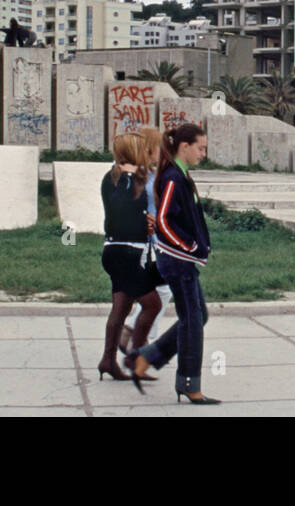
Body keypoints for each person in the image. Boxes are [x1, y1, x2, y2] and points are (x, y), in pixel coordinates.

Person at [126, 122, 219, 404]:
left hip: (182, 260)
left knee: (198, 317)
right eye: (200, 148)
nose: (203, 153)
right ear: (184, 147)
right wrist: (188, 247)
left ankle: (144, 357)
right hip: (177, 261)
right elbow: (164, 220)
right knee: (192, 321)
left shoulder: (180, 175)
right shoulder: (172, 178)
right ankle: (189, 385)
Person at [97, 133, 164, 382]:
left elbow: (117, 213)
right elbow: (128, 216)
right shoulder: (134, 178)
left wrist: (144, 219)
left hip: (112, 249)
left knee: (121, 307)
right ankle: (136, 361)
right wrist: (147, 222)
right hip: (130, 253)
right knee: (153, 304)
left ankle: (108, 360)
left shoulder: (110, 176)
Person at [118, 126, 173, 356]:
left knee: (159, 290)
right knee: (162, 290)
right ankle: (135, 332)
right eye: (160, 147)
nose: (163, 152)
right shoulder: (142, 177)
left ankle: (141, 336)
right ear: (150, 148)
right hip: (148, 242)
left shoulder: (149, 174)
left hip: (154, 240)